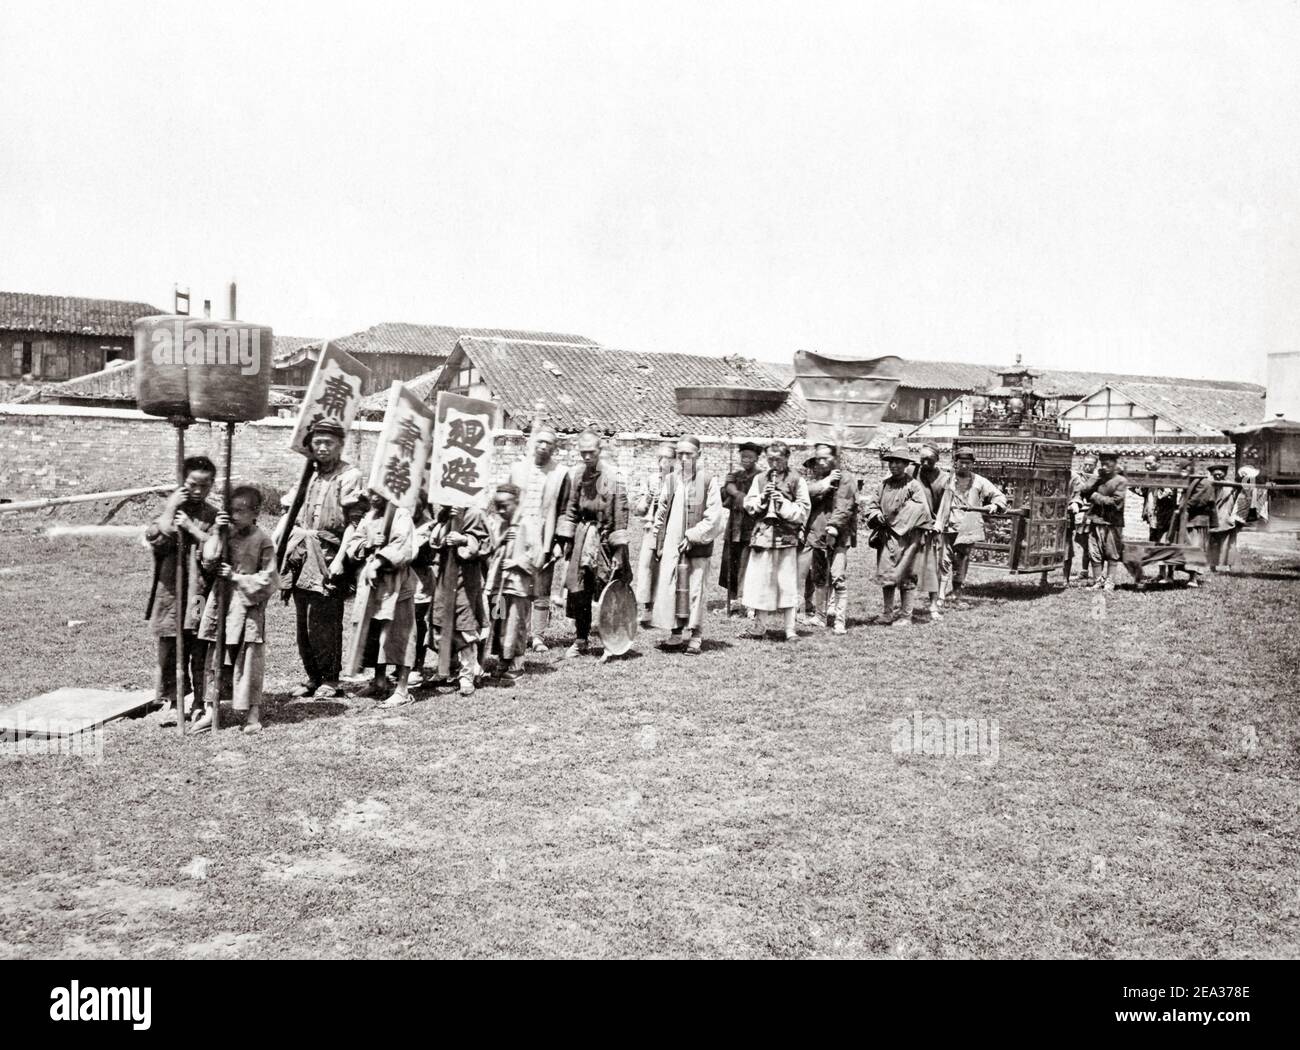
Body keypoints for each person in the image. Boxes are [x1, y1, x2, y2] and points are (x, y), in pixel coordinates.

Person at [281, 418, 365, 699]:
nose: (323, 447)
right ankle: (312, 677)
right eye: (317, 442)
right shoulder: (309, 474)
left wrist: (341, 559)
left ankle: (331, 678)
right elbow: (290, 510)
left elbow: (354, 523)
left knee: (325, 620)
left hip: (329, 554)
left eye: (329, 442)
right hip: (301, 553)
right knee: (303, 620)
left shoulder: (349, 476)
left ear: (340, 445)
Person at [192, 486, 279, 735]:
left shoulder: (262, 540)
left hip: (248, 608)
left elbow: (270, 579)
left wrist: (238, 578)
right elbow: (208, 561)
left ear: (255, 513)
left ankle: (252, 714)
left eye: (240, 511)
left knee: (248, 659)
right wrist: (218, 532)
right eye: (231, 510)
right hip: (221, 604)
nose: (234, 515)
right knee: (215, 657)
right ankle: (211, 710)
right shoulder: (224, 534)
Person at [144, 455, 219, 724]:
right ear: (182, 482)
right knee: (170, 648)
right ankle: (174, 701)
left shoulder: (212, 516)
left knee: (199, 647)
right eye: (192, 485)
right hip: (171, 595)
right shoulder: (171, 511)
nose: (198, 491)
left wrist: (191, 528)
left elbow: (217, 550)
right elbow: (155, 538)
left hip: (198, 594)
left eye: (205, 486)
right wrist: (170, 509)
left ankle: (200, 701)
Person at [554, 430, 632, 658]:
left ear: (600, 450)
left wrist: (618, 550)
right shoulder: (576, 475)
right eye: (583, 452)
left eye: (592, 452)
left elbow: (620, 513)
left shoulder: (614, 477)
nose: (587, 456)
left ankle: (614, 640)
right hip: (582, 538)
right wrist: (566, 541)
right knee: (580, 590)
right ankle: (581, 639)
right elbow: (569, 509)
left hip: (606, 540)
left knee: (610, 590)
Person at [338, 488, 417, 706]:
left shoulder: (401, 515)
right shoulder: (369, 517)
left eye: (379, 493)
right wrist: (368, 545)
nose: (374, 498)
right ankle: (379, 680)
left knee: (399, 634)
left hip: (396, 584)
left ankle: (402, 689)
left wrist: (379, 561)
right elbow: (354, 543)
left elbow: (403, 546)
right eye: (372, 493)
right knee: (373, 632)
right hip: (371, 587)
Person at [649, 436, 726, 653]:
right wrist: (659, 538)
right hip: (672, 541)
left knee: (695, 588)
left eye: (689, 454)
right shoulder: (671, 480)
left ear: (698, 455)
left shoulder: (708, 481)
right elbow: (661, 511)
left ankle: (696, 635)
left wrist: (693, 535)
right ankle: (675, 632)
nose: (684, 458)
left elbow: (714, 517)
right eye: (680, 454)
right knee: (672, 585)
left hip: (696, 543)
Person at [740, 441, 811, 641]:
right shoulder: (760, 478)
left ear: (787, 458)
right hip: (763, 537)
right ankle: (759, 628)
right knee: (761, 584)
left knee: (786, 585)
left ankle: (790, 629)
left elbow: (803, 511)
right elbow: (750, 505)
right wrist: (763, 499)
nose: (774, 463)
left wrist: (782, 503)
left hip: (786, 538)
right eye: (770, 459)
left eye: (778, 459)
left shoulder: (797, 479)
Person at [508, 426, 570, 652]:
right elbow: (507, 500)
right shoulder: (517, 469)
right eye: (540, 441)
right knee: (518, 586)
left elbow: (564, 510)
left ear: (555, 447)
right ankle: (518, 631)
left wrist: (557, 543)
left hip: (544, 537)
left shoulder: (561, 473)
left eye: (549, 443)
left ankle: (538, 636)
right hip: (519, 536)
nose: (543, 446)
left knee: (541, 587)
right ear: (532, 442)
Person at [863, 442, 936, 627]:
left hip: (909, 538)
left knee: (907, 575)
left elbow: (921, 510)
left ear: (905, 465)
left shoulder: (913, 486)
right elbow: (872, 505)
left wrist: (897, 520)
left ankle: (905, 615)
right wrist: (876, 515)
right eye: (891, 462)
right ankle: (887, 613)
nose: (894, 465)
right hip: (887, 538)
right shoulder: (883, 485)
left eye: (898, 462)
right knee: (888, 576)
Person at [427, 502, 492, 695]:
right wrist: (445, 524)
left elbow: (486, 543)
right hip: (444, 578)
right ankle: (447, 665)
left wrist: (464, 540)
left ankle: (467, 674)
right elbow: (434, 541)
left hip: (466, 579)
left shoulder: (476, 513)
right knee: (440, 623)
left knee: (464, 626)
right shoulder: (445, 513)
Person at [797, 443, 857, 634]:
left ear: (835, 458)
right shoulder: (818, 481)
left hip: (837, 537)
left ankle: (840, 621)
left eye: (825, 458)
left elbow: (844, 507)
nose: (821, 462)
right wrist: (823, 485)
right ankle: (821, 617)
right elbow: (804, 497)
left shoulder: (846, 479)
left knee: (838, 576)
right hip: (816, 535)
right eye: (818, 459)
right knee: (819, 578)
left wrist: (834, 527)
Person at [485, 483, 540, 685]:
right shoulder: (499, 524)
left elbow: (537, 554)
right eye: (497, 505)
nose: (501, 510)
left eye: (505, 506)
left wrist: (517, 563)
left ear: (516, 503)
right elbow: (489, 549)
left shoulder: (527, 524)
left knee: (515, 625)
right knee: (499, 621)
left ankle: (516, 663)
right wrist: (500, 541)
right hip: (498, 585)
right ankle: (502, 660)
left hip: (518, 585)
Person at [947, 448, 1007, 600]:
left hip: (968, 527)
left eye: (968, 463)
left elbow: (999, 496)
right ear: (956, 463)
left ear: (973, 464)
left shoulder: (979, 481)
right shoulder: (946, 479)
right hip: (947, 525)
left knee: (961, 559)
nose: (965, 466)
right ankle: (940, 594)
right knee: (943, 560)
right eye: (961, 463)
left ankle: (956, 591)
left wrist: (995, 505)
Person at [633, 441, 677, 627]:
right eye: (661, 458)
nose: (663, 463)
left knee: (667, 568)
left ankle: (665, 610)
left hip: (671, 530)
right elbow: (639, 510)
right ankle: (647, 608)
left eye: (667, 459)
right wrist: (649, 498)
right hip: (652, 529)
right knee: (647, 566)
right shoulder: (652, 479)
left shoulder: (678, 480)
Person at [719, 441, 764, 616]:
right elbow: (725, 495)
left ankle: (746, 602)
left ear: (756, 458)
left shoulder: (760, 477)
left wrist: (739, 495)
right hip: (733, 527)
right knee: (730, 564)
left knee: (747, 565)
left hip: (751, 526)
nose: (746, 460)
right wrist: (733, 492)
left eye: (750, 457)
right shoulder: (734, 475)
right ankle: (731, 601)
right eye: (743, 456)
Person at [913, 445, 952, 620]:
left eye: (929, 459)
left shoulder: (944, 478)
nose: (925, 462)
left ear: (937, 459)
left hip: (931, 530)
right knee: (906, 567)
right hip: (911, 527)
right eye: (922, 459)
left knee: (932, 569)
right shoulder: (912, 472)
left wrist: (938, 523)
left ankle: (933, 606)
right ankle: (904, 607)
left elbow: (945, 503)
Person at [1080, 451, 1127, 591]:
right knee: (1094, 552)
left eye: (1108, 464)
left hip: (1112, 523)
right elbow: (1084, 490)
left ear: (1115, 464)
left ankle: (1110, 582)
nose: (1105, 467)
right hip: (1096, 520)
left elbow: (1115, 503)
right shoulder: (1098, 479)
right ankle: (1097, 581)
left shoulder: (1121, 481)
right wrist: (1095, 478)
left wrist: (1095, 497)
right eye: (1102, 464)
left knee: (1112, 553)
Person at [408, 496, 436, 687]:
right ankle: (401, 665)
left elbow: (421, 556)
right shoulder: (399, 521)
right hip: (400, 583)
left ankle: (416, 666)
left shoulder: (428, 527)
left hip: (419, 583)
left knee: (417, 625)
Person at [1178, 459, 1218, 588]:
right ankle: (1186, 572)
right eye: (1181, 469)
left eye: (1185, 469)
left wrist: (1182, 508)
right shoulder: (1189, 482)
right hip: (1188, 519)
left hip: (1199, 520)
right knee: (1187, 546)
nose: (1183, 472)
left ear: (1191, 468)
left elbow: (1198, 500)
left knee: (1196, 547)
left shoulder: (1203, 482)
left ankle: (1193, 578)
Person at [1066, 454, 1099, 585]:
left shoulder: (1097, 478)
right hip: (1080, 515)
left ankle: (1095, 574)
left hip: (1091, 514)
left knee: (1090, 544)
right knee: (1082, 541)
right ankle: (1084, 571)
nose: (1087, 467)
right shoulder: (1079, 476)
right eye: (1085, 464)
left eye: (1090, 465)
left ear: (1095, 465)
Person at [1208, 465, 1246, 572]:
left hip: (1226, 517)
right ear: (1212, 475)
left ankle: (1229, 565)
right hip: (1213, 518)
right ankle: (1212, 565)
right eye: (1215, 475)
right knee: (1213, 544)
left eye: (1220, 474)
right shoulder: (1209, 486)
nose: (1218, 477)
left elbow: (1242, 493)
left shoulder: (1231, 486)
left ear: (1224, 474)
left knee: (1228, 543)